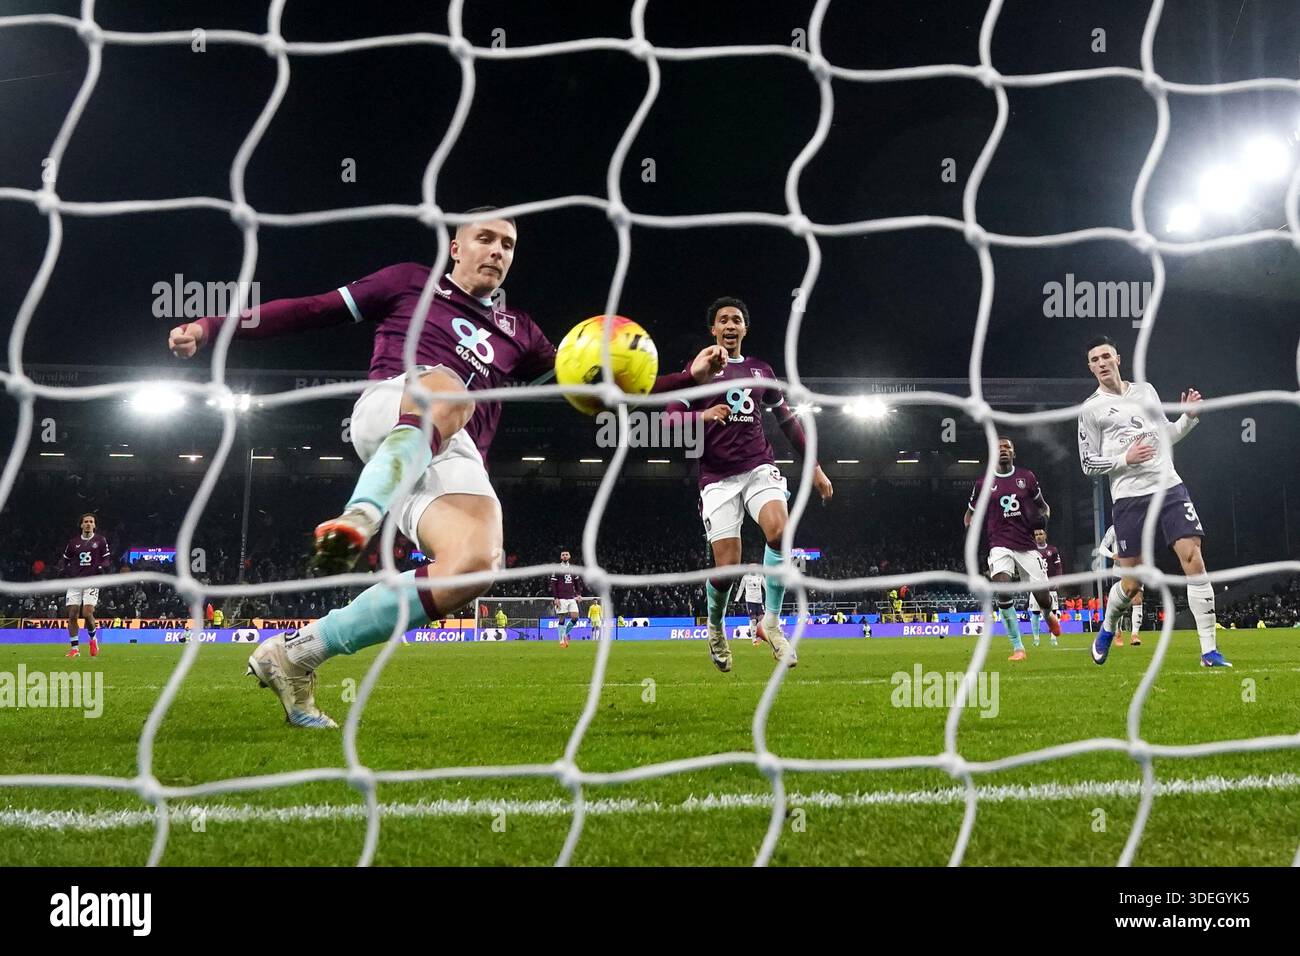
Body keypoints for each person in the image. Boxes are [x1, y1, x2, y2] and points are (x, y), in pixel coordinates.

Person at [659, 297, 832, 673]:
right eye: (723, 320)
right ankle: (715, 626)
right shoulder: (697, 372)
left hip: (759, 467)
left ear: (744, 329)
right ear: (714, 330)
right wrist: (702, 415)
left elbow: (788, 422)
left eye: (737, 319)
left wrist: (815, 467)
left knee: (780, 532)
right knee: (728, 566)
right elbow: (670, 422)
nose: (731, 325)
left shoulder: (760, 370)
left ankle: (770, 621)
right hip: (716, 478)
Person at [1078, 336, 1229, 666]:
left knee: (1193, 557)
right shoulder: (1090, 409)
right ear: (1090, 367)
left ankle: (1208, 651)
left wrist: (1188, 418)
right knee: (1132, 582)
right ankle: (1106, 629)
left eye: (1106, 356)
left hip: (1169, 487)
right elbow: (1087, 464)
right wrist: (1124, 459)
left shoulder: (1146, 391)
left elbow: (1167, 436)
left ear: (1118, 358)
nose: (1102, 363)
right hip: (1129, 498)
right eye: (1094, 359)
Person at [963, 437, 1062, 661]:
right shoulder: (983, 483)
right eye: (999, 448)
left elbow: (1044, 507)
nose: (1003, 450)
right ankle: (1018, 647)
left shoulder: (1026, 477)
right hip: (999, 543)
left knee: (1043, 597)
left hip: (1026, 545)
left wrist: (1043, 522)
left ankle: (1048, 616)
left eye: (1007, 447)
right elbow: (969, 513)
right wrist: (969, 532)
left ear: (1013, 454)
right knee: (1002, 588)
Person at [58, 513, 111, 658]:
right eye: (85, 521)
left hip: (92, 581)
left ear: (94, 525)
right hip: (75, 581)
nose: (88, 524)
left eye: (91, 521)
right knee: (72, 614)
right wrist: (63, 570)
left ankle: (93, 639)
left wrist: (102, 567)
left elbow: (106, 559)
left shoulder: (100, 540)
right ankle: (75, 649)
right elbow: (65, 559)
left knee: (87, 613)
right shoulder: (73, 542)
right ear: (81, 525)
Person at [1030, 528, 1063, 647]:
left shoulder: (1052, 550)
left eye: (1040, 534)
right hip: (1036, 584)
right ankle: (1036, 639)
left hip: (1050, 585)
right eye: (1036, 534)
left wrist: (1058, 580)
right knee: (1035, 613)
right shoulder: (1031, 550)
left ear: (1045, 535)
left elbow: (1058, 566)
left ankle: (1053, 638)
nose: (1038, 536)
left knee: (1053, 612)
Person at [551, 550, 585, 648]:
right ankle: (561, 641)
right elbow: (553, 584)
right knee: (562, 618)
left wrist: (578, 594)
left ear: (569, 556)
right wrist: (555, 598)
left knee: (575, 617)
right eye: (563, 555)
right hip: (561, 598)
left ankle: (564, 634)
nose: (565, 556)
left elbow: (577, 583)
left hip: (571, 597)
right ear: (561, 557)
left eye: (566, 554)